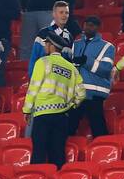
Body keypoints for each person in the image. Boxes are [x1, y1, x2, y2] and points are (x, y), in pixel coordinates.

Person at [23, 29, 85, 169]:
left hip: (42, 115)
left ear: (51, 46)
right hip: (62, 116)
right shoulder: (71, 67)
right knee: (57, 155)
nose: (45, 46)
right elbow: (81, 93)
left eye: (46, 44)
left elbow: (34, 87)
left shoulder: (43, 62)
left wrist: (27, 109)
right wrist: (71, 105)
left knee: (39, 153)